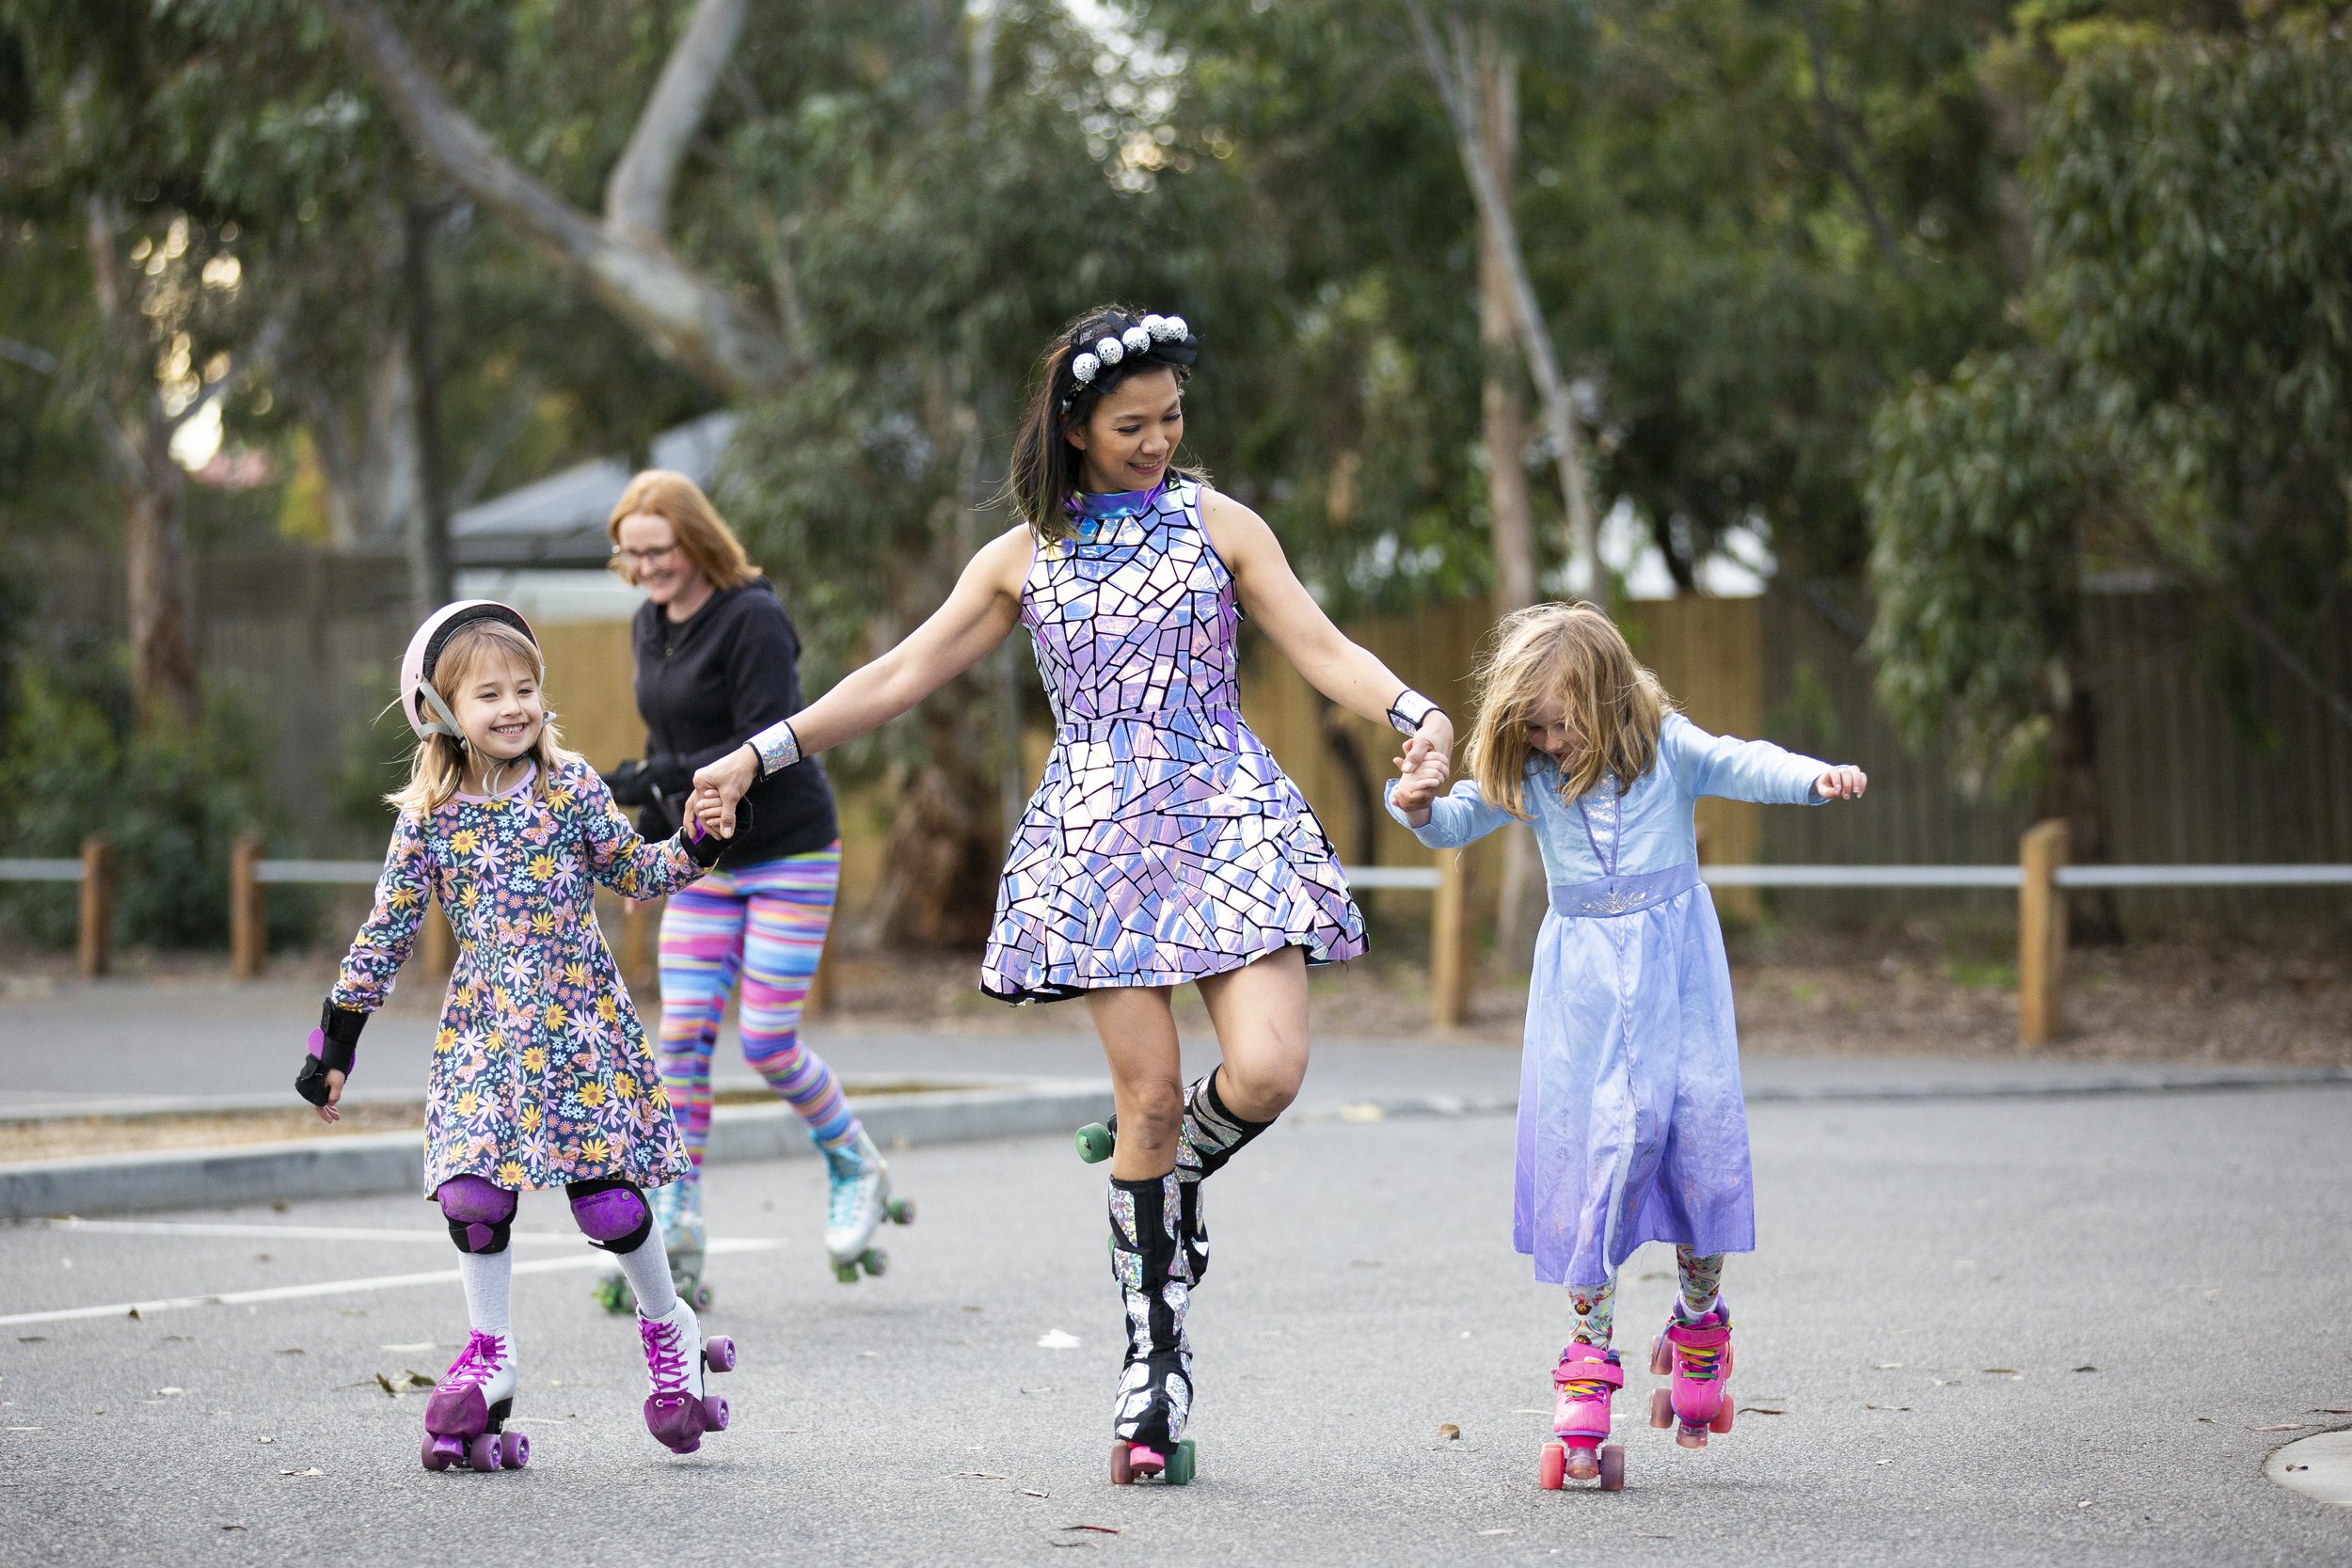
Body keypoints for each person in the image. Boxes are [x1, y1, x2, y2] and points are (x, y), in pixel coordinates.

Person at [688, 306, 1454, 1487]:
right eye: (1133, 424)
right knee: (1144, 1097)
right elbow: (897, 672)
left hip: (1224, 807)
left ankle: (1173, 1178)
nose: (1159, 441)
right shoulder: (1020, 558)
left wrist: (1414, 713)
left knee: (1267, 1070)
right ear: (1076, 429)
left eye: (1172, 417)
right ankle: (1153, 1369)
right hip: (1100, 835)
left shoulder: (1219, 522)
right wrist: (758, 752)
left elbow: (1318, 644)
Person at [1386, 601, 1867, 1492]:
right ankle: (1588, 1352)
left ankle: (1699, 1323)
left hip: (1678, 985)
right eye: (1531, 726)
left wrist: (1815, 779)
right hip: (1584, 1001)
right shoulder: (1531, 772)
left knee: (1695, 1144)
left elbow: (1743, 762)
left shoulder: (1667, 749)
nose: (1548, 740)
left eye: (1562, 723)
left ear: (1608, 702)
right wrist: (1413, 802)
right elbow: (1456, 819)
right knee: (1600, 1156)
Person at [294, 600, 739, 1471]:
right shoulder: (428, 815)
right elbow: (385, 931)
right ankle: (490, 1355)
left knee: (607, 1201)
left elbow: (636, 871)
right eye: (489, 693)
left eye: (526, 687)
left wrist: (696, 840)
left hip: (578, 1023)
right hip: (486, 1032)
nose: (513, 706)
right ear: (441, 710)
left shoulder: (569, 785)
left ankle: (669, 1326)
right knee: (472, 1195)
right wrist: (335, 1043)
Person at [597, 469, 906, 1307]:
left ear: (696, 538)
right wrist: (654, 850)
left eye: (658, 550)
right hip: (707, 860)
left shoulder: (754, 617)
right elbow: (669, 739)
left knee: (767, 1039)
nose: (648, 568)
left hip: (789, 852)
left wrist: (648, 776)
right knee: (682, 1042)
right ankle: (680, 1217)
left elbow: (766, 738)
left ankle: (853, 1161)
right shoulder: (647, 624)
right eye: (632, 555)